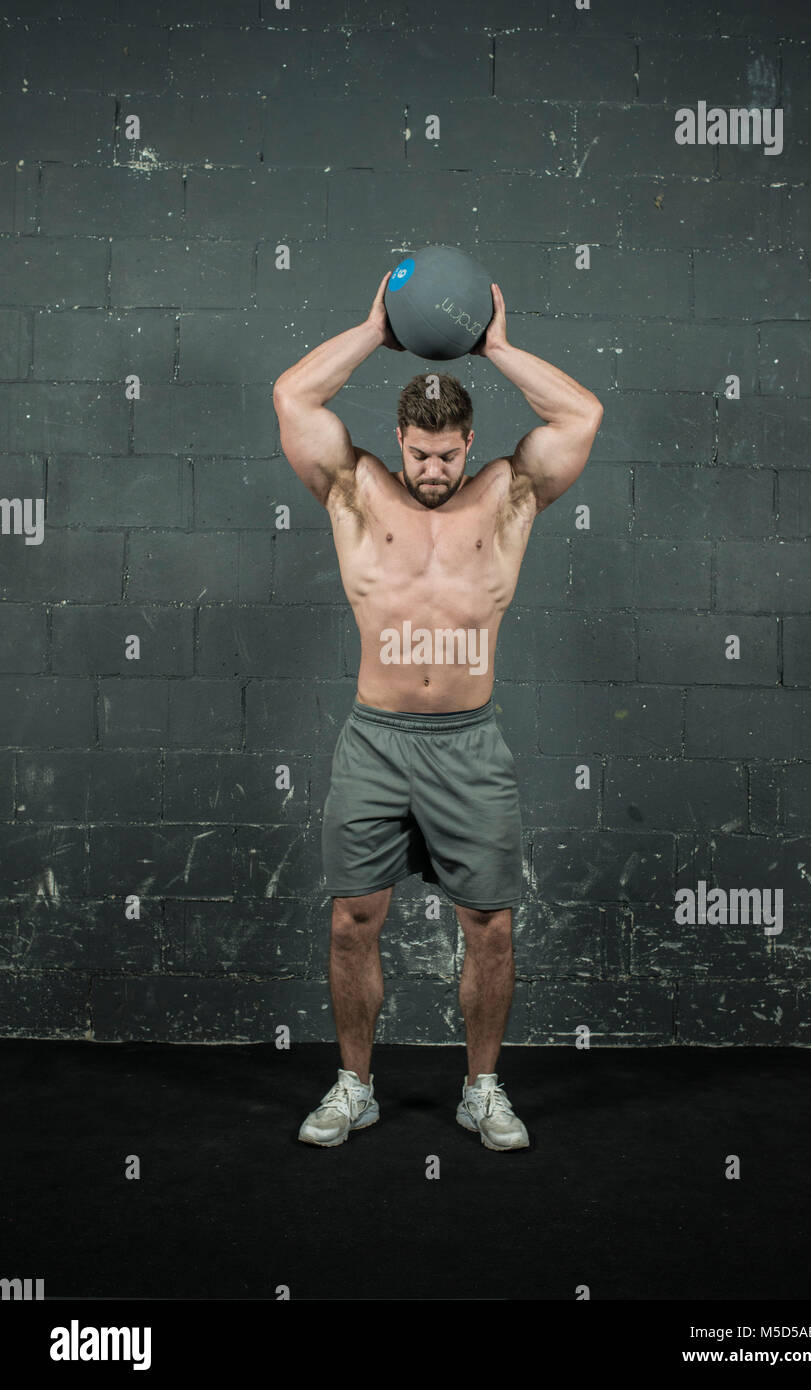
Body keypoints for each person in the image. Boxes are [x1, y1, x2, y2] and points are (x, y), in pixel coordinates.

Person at [272, 273, 603, 1150]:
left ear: (468, 441)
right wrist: (373, 327)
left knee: (489, 926)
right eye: (418, 454)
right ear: (399, 440)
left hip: (468, 742)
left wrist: (494, 346)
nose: (430, 471)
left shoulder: (507, 497)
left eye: (446, 453)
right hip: (375, 742)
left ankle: (482, 1089)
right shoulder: (353, 493)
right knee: (352, 919)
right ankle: (353, 1086)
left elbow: (579, 417)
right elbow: (292, 394)